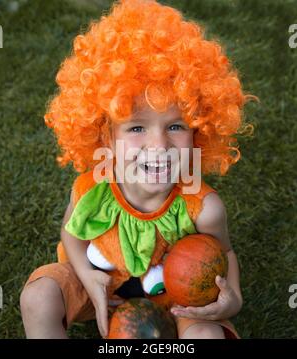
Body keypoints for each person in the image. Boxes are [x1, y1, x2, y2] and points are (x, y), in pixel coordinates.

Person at [20, 0, 254, 339]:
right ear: (106, 136)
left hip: (178, 302)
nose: (158, 146)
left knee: (208, 336)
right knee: (38, 296)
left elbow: (226, 252)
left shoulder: (203, 207)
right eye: (136, 128)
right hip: (102, 283)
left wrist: (231, 299)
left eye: (175, 126)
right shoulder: (92, 189)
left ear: (200, 131)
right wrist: (86, 274)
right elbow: (71, 234)